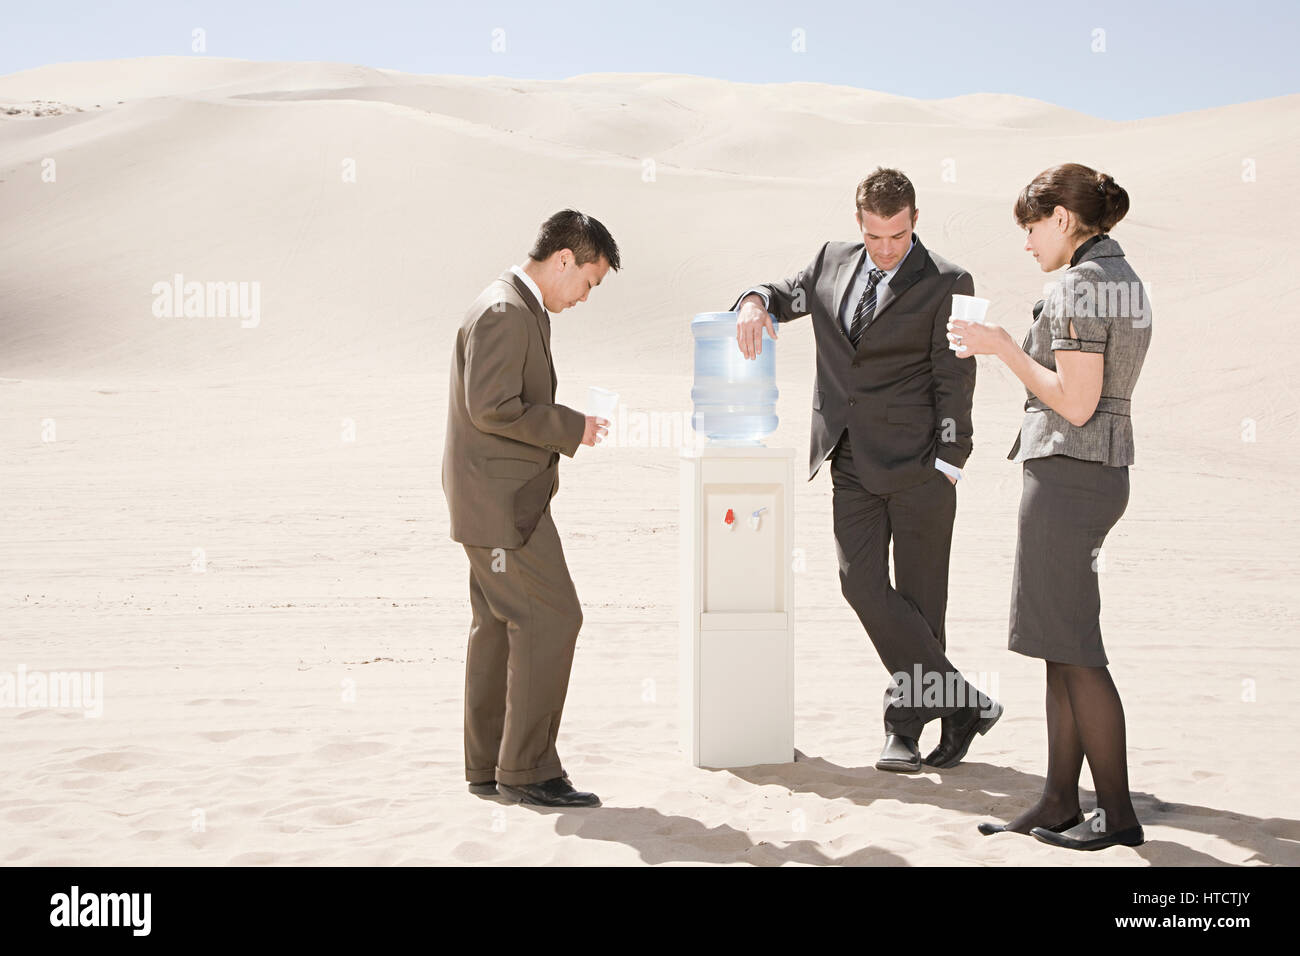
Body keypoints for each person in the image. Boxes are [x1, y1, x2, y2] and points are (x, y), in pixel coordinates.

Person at [732, 167, 1001, 774]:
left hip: (921, 467)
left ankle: (903, 730)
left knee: (921, 603)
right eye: (876, 235)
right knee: (859, 582)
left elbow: (955, 381)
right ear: (859, 223)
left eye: (898, 236)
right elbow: (785, 294)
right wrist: (753, 300)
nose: (886, 248)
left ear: (914, 222)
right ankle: (962, 702)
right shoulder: (830, 260)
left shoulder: (950, 281)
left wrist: (950, 463)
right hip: (848, 456)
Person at [948, 163, 1150, 850]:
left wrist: (1001, 346)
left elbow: (1075, 398)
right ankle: (1060, 799)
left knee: (1078, 649)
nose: (1027, 244)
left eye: (1031, 228)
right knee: (1060, 645)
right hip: (1096, 470)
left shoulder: (1079, 284)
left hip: (1071, 471)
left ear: (1061, 218)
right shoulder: (1120, 275)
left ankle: (1117, 815)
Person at [442, 209, 620, 808]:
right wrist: (572, 426)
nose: (585, 297)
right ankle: (529, 771)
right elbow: (491, 406)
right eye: (588, 282)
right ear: (564, 259)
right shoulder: (503, 311)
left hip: (494, 501)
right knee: (552, 618)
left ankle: (488, 765)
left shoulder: (516, 307)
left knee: (498, 626)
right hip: (502, 510)